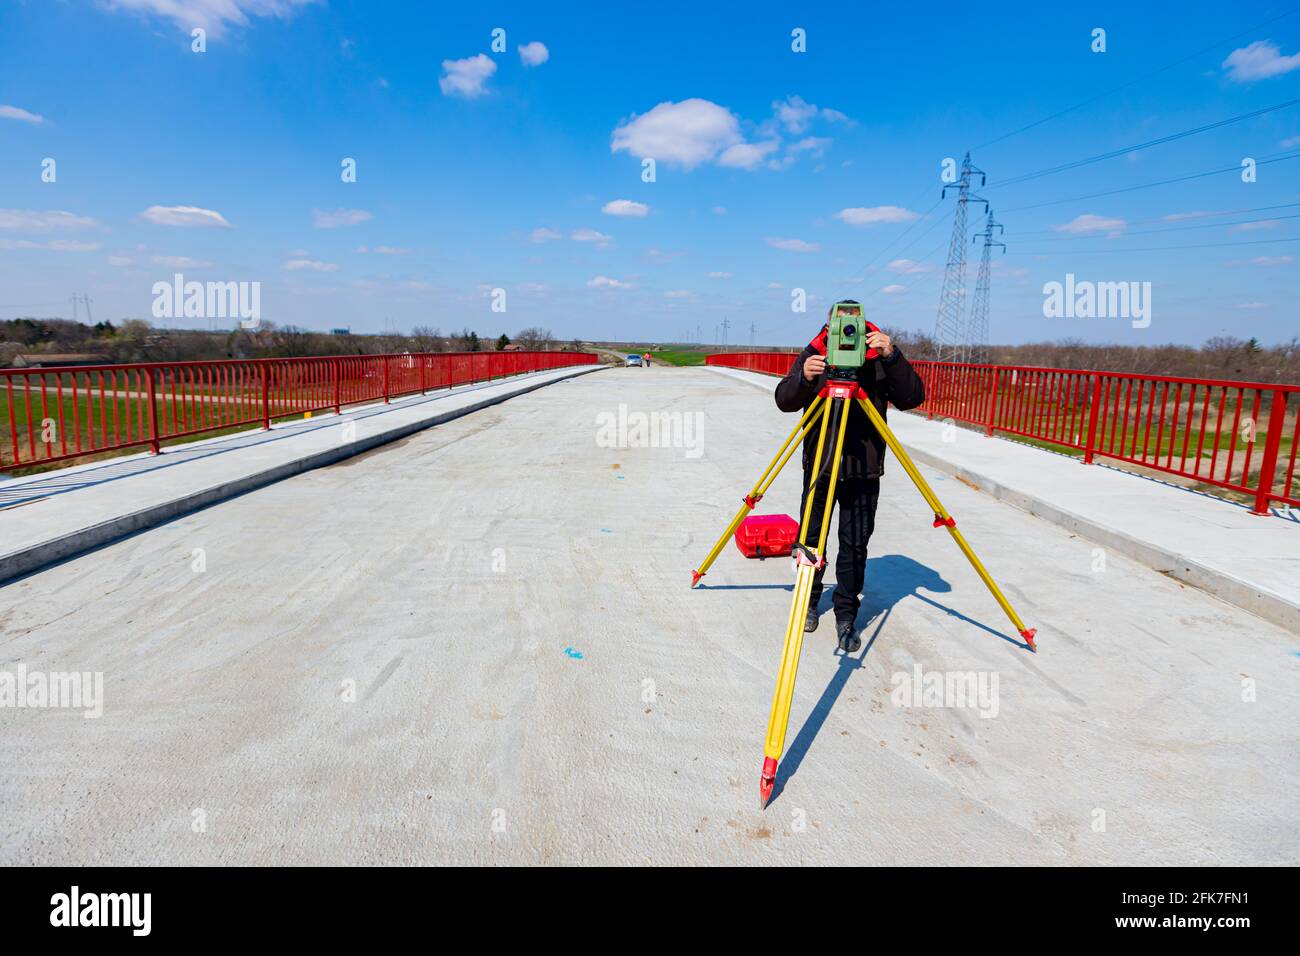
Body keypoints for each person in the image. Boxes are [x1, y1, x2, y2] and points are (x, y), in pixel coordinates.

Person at [774, 301, 925, 652]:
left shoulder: (877, 357)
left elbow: (913, 397)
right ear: (829, 326)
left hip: (863, 469)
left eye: (853, 326)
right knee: (811, 539)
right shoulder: (817, 354)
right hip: (821, 467)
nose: (847, 334)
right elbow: (784, 400)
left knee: (855, 545)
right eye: (840, 327)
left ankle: (846, 615)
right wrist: (805, 377)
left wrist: (891, 355)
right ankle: (808, 603)